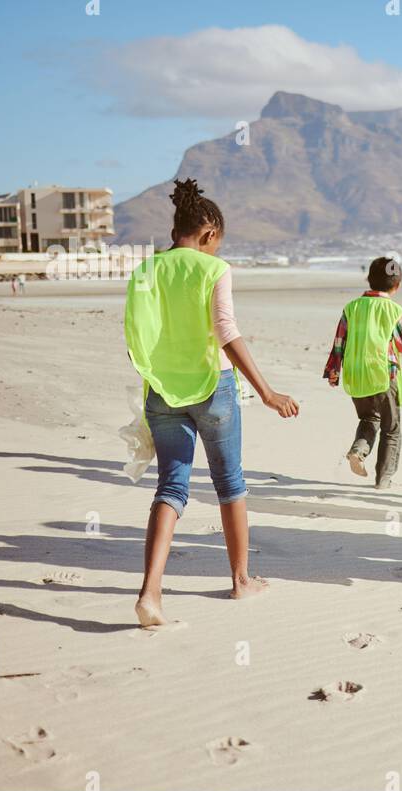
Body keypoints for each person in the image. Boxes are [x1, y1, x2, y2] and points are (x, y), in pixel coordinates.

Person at [123, 179, 300, 628]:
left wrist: (157, 375)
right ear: (208, 235)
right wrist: (266, 391)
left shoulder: (145, 271)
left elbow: (134, 338)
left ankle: (150, 593)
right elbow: (226, 331)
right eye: (216, 243)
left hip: (161, 390)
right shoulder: (213, 270)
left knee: (170, 487)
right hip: (214, 386)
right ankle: (240, 580)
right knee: (230, 483)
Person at [324, 256, 402, 489]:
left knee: (368, 419)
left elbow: (339, 342)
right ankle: (383, 480)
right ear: (397, 285)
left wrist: (334, 371)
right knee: (391, 429)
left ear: (369, 279)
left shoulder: (351, 307)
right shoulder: (394, 310)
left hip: (356, 377)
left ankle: (358, 451)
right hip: (384, 378)